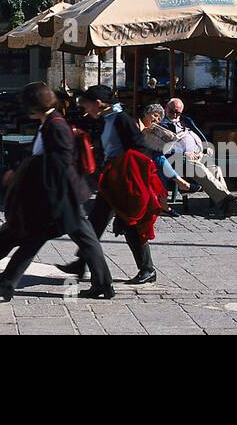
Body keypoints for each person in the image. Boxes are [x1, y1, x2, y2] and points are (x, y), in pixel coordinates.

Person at [0, 82, 114, 301]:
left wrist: (34, 181)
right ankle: (103, 285)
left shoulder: (56, 125)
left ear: (33, 106)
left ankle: (6, 284)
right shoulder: (49, 122)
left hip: (61, 196)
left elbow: (62, 163)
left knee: (53, 239)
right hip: (58, 195)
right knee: (77, 240)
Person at [58, 86, 165, 284]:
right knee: (96, 223)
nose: (85, 108)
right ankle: (81, 263)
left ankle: (147, 269)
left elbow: (140, 148)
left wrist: (125, 168)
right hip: (111, 180)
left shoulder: (121, 119)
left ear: (98, 104)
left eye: (87, 104)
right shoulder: (106, 119)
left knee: (130, 225)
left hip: (123, 181)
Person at [161, 97, 237, 217]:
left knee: (216, 169)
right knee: (199, 169)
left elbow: (201, 135)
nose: (175, 115)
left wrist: (205, 148)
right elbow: (162, 148)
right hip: (178, 159)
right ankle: (227, 201)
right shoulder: (162, 125)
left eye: (178, 113)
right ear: (166, 108)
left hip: (198, 155)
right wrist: (183, 153)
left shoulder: (186, 120)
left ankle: (226, 204)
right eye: (172, 111)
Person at [136, 103, 195, 216]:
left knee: (160, 168)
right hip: (136, 157)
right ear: (146, 113)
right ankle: (179, 184)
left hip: (150, 159)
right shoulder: (136, 125)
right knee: (159, 159)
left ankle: (164, 205)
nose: (156, 119)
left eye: (159, 118)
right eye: (155, 115)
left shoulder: (153, 128)